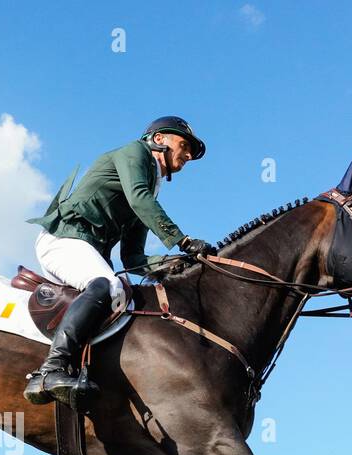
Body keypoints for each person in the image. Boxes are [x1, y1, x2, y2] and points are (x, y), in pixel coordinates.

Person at [24, 116, 213, 409]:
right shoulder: (134, 153)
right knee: (106, 285)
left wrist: (177, 263)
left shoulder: (150, 188)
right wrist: (183, 241)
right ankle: (51, 370)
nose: (188, 155)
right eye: (184, 145)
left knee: (121, 292)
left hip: (86, 249)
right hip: (64, 239)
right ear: (159, 139)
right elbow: (139, 200)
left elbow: (134, 259)